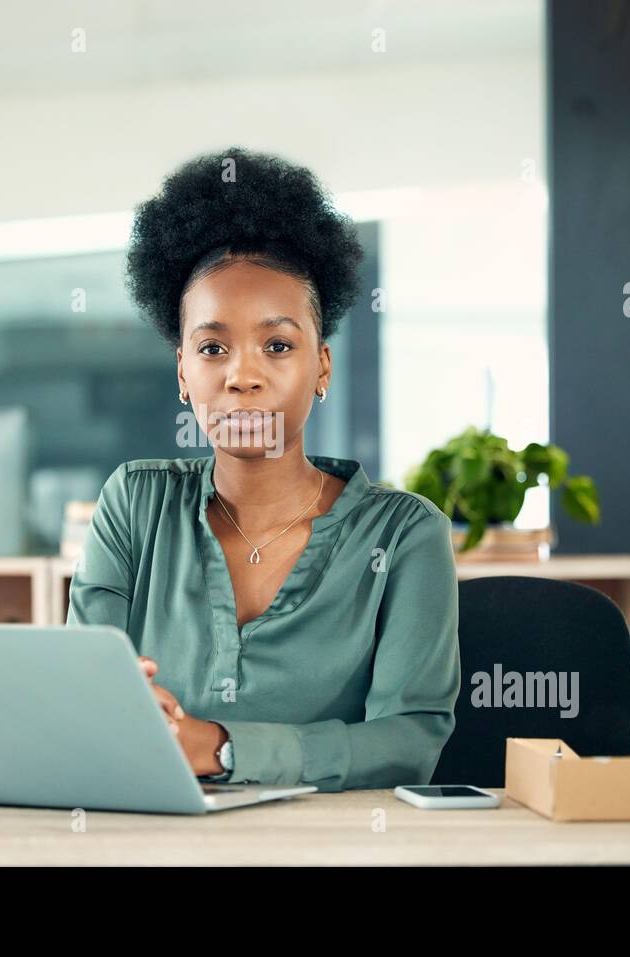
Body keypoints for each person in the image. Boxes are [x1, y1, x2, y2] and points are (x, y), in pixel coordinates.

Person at [67, 145, 460, 791]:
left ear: (323, 368)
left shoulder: (403, 535)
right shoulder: (135, 503)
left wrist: (222, 747)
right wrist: (116, 709)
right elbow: (87, 692)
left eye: (277, 345)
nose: (243, 375)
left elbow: (408, 741)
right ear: (183, 374)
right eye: (213, 346)